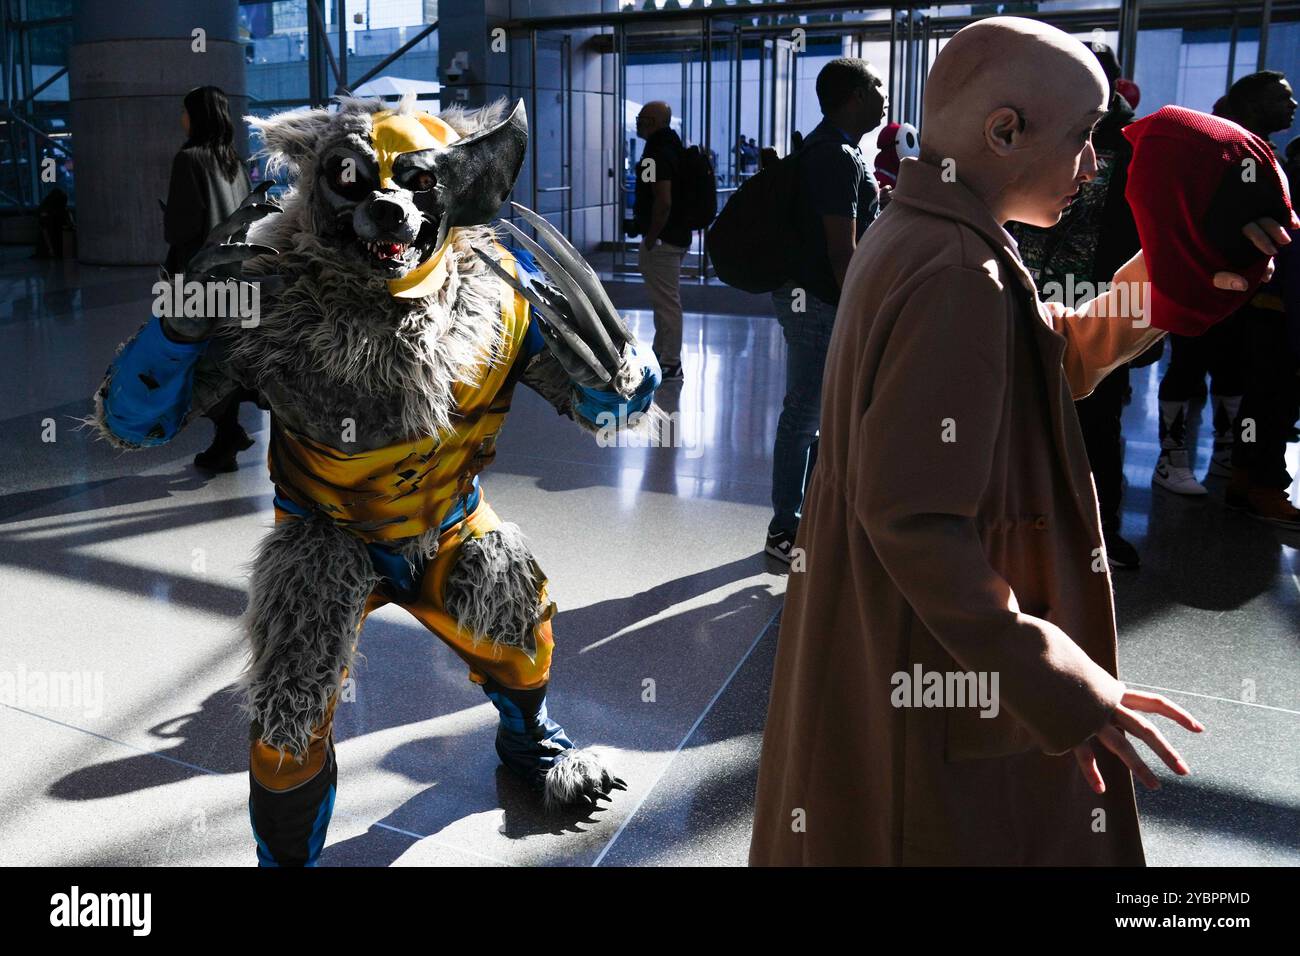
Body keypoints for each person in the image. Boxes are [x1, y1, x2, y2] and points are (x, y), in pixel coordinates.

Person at [750, 16, 1285, 866]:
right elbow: (913, 521)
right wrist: (1058, 684)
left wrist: (1174, 274)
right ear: (1005, 131)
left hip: (906, 657)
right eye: (1082, 136)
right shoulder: (959, 270)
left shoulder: (928, 230)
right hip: (937, 686)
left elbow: (1049, 358)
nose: (1093, 162)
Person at [1009, 41, 1147, 568]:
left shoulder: (1129, 143)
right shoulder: (1045, 132)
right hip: (1042, 290)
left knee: (1098, 422)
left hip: (1095, 296)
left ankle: (1100, 531)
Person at [765, 57, 883, 562]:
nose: (885, 95)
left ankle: (808, 516)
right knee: (806, 413)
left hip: (812, 295)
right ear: (855, 96)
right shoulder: (836, 155)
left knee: (817, 413)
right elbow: (842, 249)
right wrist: (862, 307)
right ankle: (784, 526)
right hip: (820, 301)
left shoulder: (829, 148)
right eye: (877, 86)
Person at [163, 85, 257, 473]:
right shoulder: (234, 162)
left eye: (185, 112)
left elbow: (179, 229)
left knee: (189, 355)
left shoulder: (189, 160)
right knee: (225, 357)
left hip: (196, 276)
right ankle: (228, 434)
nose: (181, 119)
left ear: (197, 116)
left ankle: (225, 433)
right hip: (235, 274)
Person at [1222, 71, 1300, 528]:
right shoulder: (1243, 154)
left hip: (1260, 299)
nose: (1292, 107)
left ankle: (1246, 478)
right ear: (1253, 103)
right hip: (1266, 302)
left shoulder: (1259, 154)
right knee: (1271, 401)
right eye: (1282, 98)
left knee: (1262, 400)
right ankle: (1263, 485)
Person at [631, 101, 689, 380]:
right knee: (663, 300)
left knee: (667, 303)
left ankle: (671, 361)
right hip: (674, 236)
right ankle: (661, 353)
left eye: (641, 118)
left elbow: (662, 201)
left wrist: (652, 237)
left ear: (652, 121)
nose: (637, 122)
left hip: (664, 240)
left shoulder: (657, 155)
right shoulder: (674, 149)